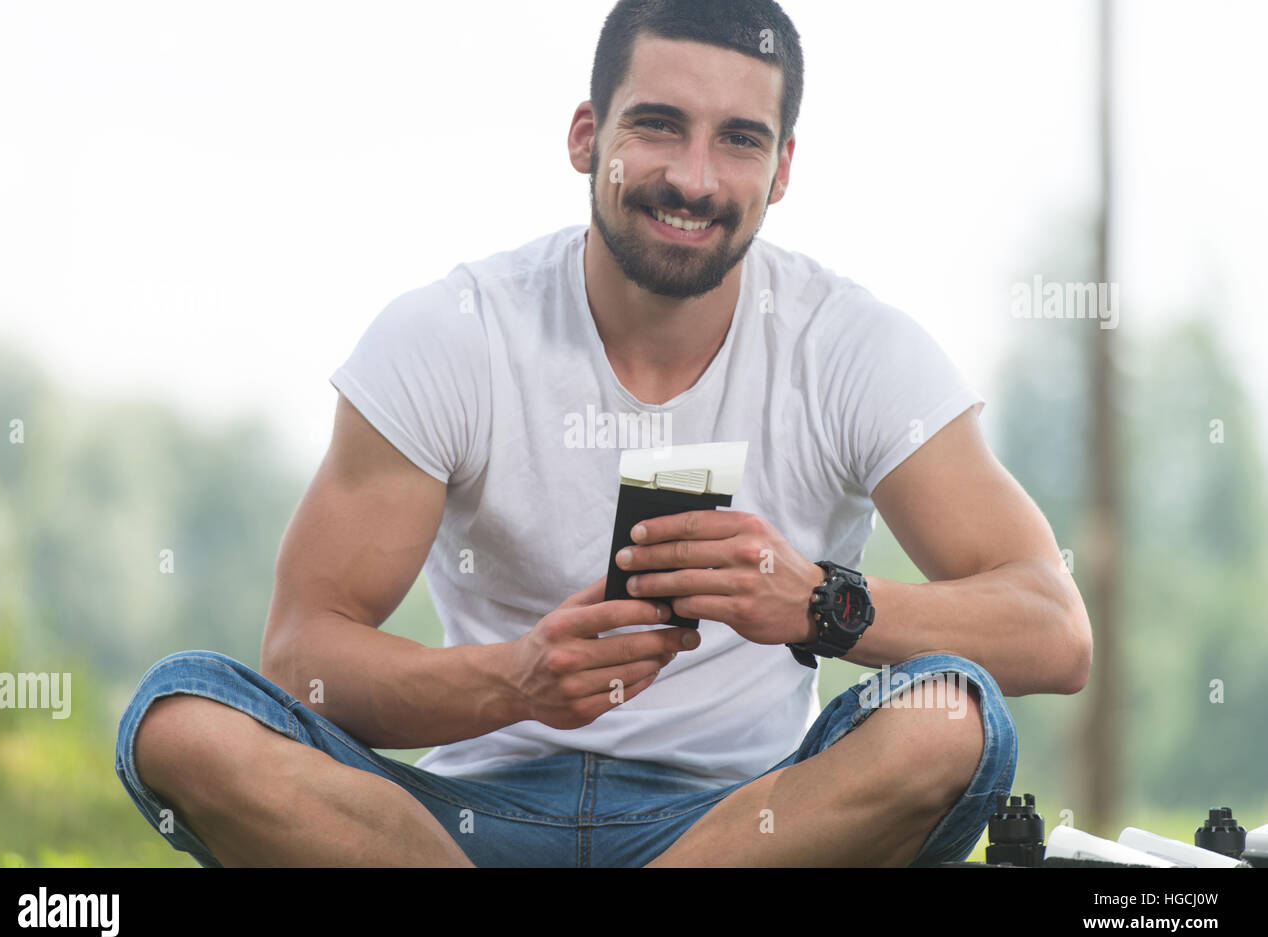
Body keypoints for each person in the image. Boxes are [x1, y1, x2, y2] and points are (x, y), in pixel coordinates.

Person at [114, 0, 1091, 867]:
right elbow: (301, 657)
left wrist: (821, 605)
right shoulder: (452, 335)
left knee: (946, 719)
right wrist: (515, 682)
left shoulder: (852, 347)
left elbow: (1053, 632)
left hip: (746, 824)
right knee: (182, 722)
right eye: (659, 127)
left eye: (740, 140)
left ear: (782, 169)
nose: (694, 179)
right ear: (588, 136)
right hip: (452, 827)